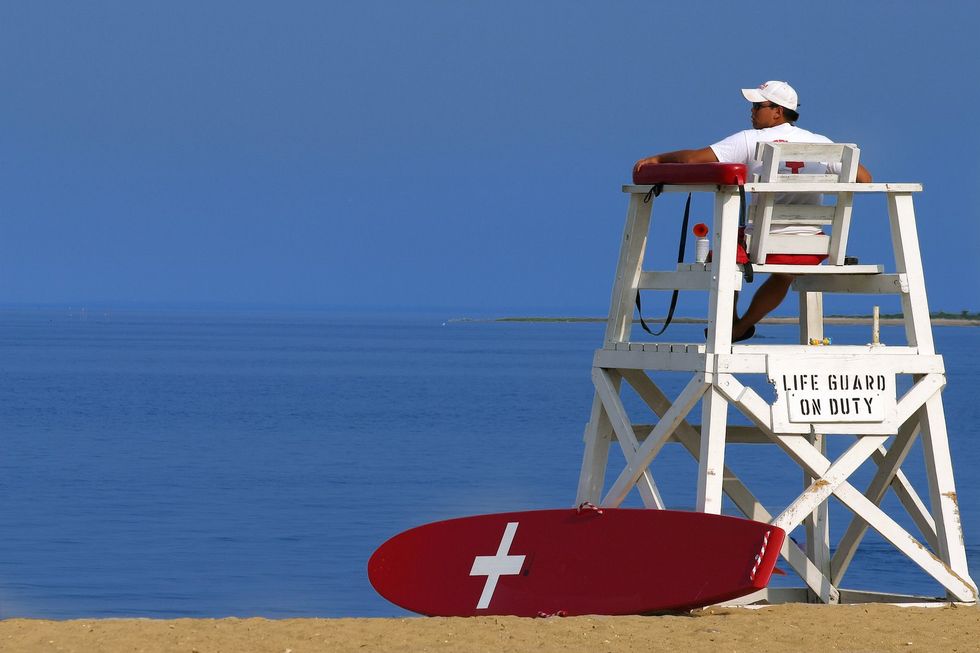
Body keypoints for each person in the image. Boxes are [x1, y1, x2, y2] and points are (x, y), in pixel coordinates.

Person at [633, 80, 872, 342]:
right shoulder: (822, 144)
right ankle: (741, 326)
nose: (751, 111)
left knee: (724, 252)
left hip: (762, 243)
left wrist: (657, 159)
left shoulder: (750, 140)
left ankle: (728, 324)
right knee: (784, 275)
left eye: (758, 106)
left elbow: (692, 160)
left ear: (777, 111)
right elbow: (864, 179)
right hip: (811, 247)